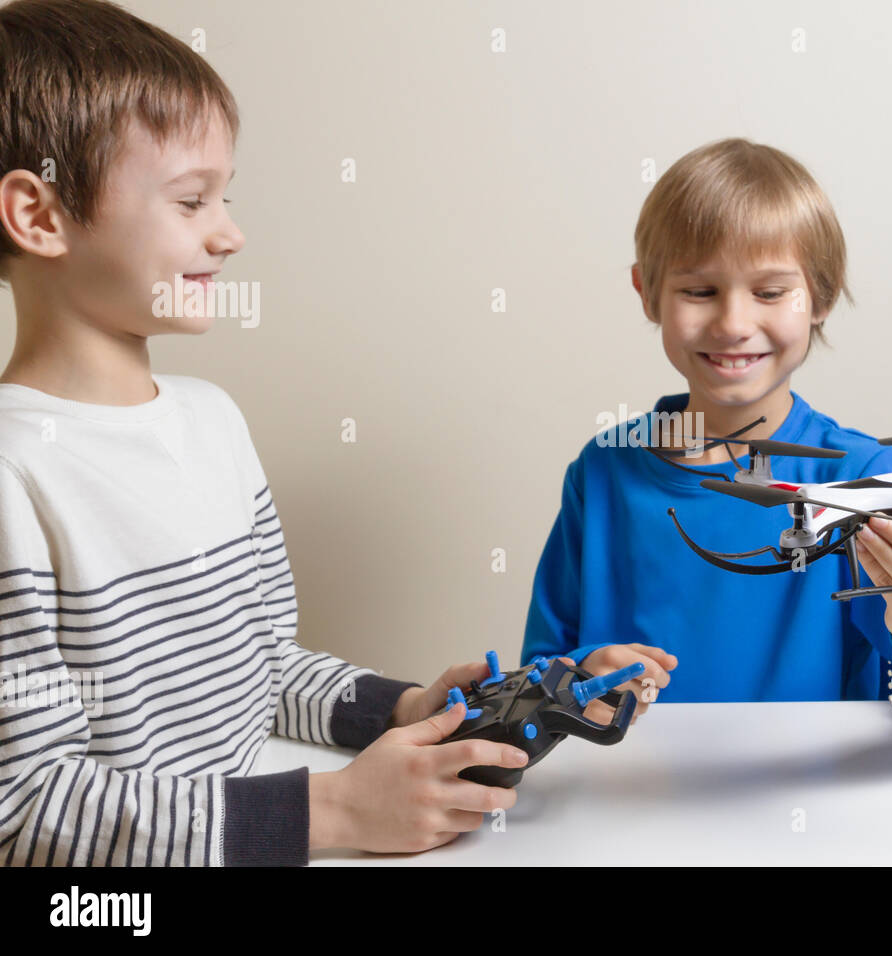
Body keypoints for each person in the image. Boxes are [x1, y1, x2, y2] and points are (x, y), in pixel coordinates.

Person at [0, 0, 523, 866]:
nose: (231, 233)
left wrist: (405, 709)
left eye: (226, 197)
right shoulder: (17, 475)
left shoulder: (213, 421)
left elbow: (260, 667)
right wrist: (333, 816)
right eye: (191, 199)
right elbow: (23, 807)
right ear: (41, 217)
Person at [521, 137, 892, 745]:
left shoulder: (865, 476)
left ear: (821, 298)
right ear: (648, 292)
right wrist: (579, 680)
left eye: (771, 293)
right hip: (632, 812)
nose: (733, 323)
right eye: (699, 291)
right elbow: (537, 685)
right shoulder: (602, 473)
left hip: (808, 822)